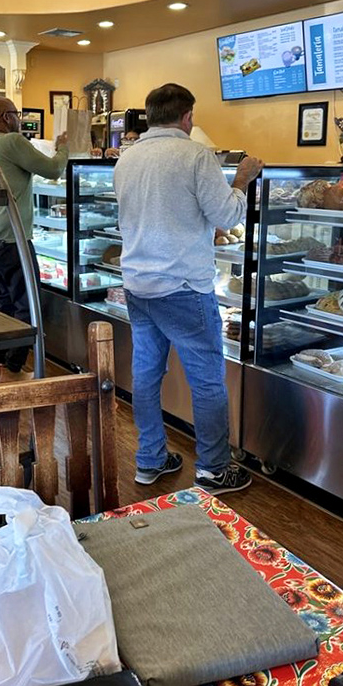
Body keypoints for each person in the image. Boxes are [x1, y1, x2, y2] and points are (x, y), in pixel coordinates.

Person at [114, 82, 263, 494]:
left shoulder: (127, 158)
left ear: (150, 117)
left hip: (138, 285)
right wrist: (242, 179)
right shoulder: (196, 156)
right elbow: (227, 216)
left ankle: (150, 460)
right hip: (182, 287)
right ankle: (213, 469)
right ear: (187, 117)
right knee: (207, 380)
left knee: (146, 375)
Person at [0, 96, 68, 382]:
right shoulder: (12, 141)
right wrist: (63, 147)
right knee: (28, 303)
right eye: (17, 114)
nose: (19, 119)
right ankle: (13, 370)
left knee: (5, 302)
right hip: (11, 236)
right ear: (7, 117)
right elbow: (53, 170)